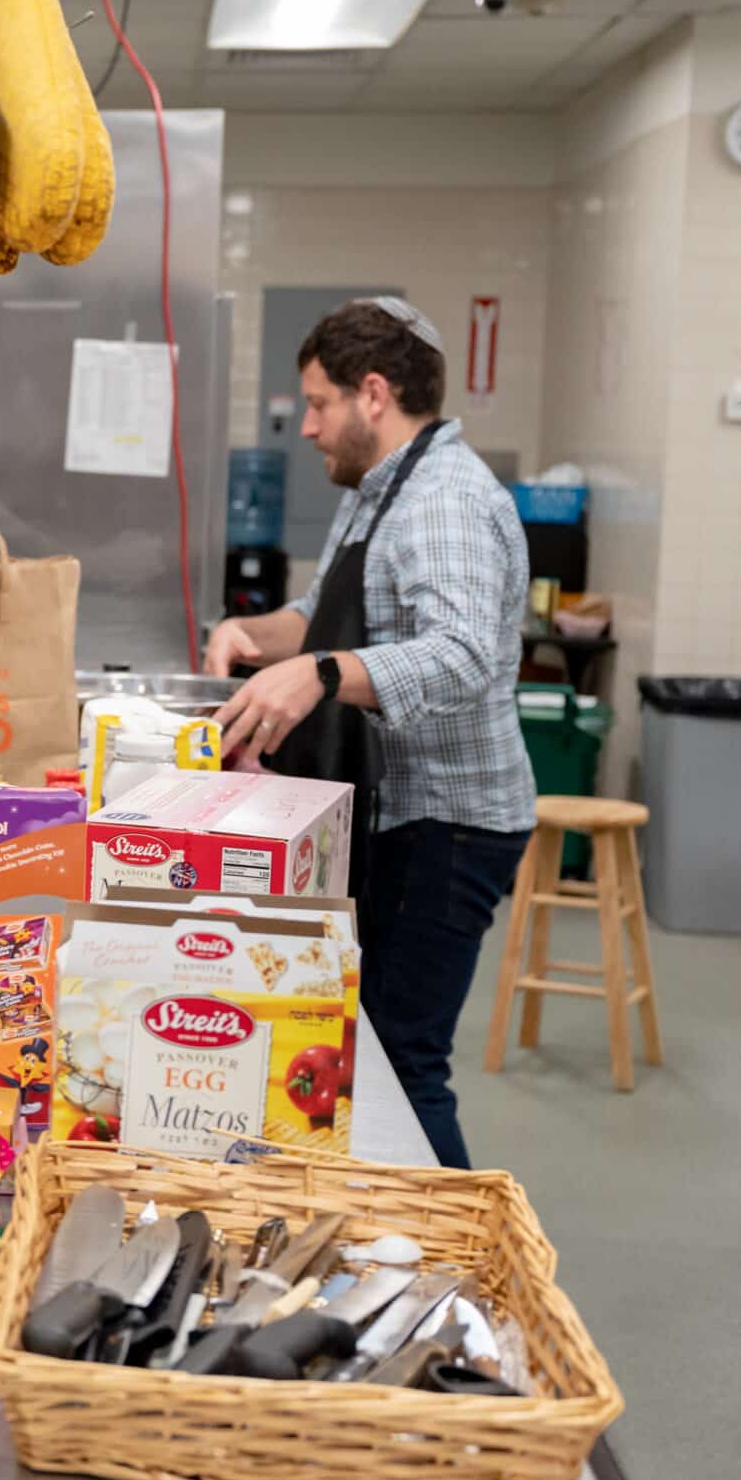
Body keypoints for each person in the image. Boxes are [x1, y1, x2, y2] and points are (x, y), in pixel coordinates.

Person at [205, 297, 535, 1170]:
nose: (306, 426)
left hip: (449, 823)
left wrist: (316, 674)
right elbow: (321, 616)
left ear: (374, 394)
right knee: (371, 1053)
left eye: (319, 403)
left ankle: (456, 1268)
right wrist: (253, 638)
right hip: (398, 812)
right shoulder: (377, 491)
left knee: (401, 1061)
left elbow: (461, 656)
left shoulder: (443, 499)